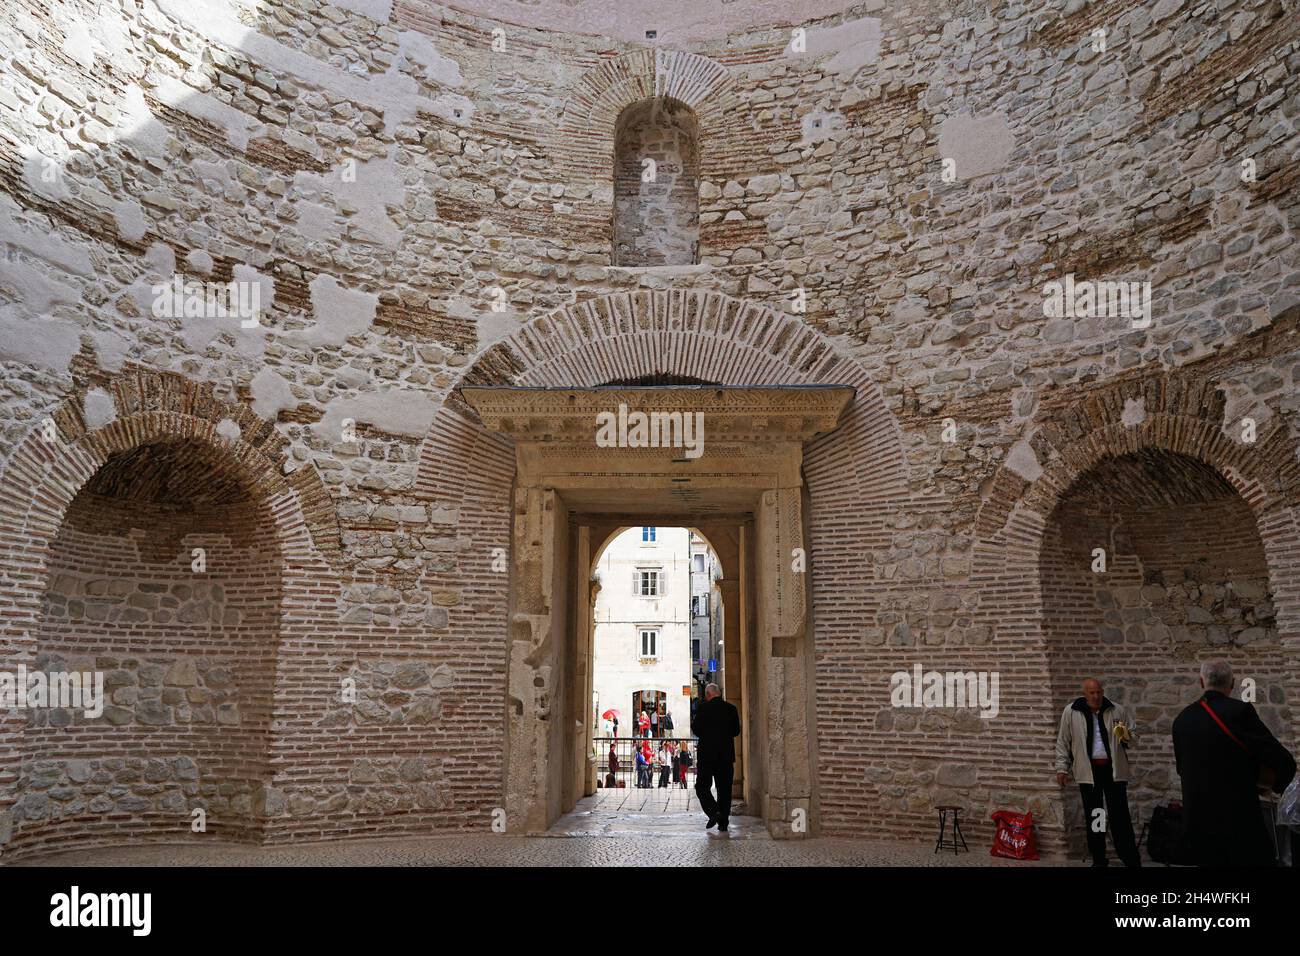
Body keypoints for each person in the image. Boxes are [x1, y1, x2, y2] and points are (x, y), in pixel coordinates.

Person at [1172, 659, 1296, 867]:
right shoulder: (1240, 712)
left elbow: (1181, 769)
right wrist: (1275, 784)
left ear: (1201, 682)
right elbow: (1280, 759)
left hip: (1198, 824)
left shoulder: (1182, 719)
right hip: (1238, 821)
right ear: (1232, 683)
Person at [1055, 677, 1141, 867]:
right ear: (1084, 694)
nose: (1096, 696)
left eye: (1099, 692)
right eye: (1092, 693)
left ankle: (1130, 859)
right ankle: (1099, 859)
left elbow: (1134, 738)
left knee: (1120, 816)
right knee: (1096, 817)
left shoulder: (1116, 710)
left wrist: (1125, 734)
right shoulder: (1072, 712)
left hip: (1114, 771)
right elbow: (1063, 742)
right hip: (1089, 773)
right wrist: (1062, 768)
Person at [691, 682, 740, 832]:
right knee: (724, 789)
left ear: (708, 694)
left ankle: (714, 812)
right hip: (725, 756)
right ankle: (723, 823)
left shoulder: (703, 709)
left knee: (702, 787)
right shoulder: (731, 709)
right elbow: (736, 731)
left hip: (707, 756)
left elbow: (697, 730)